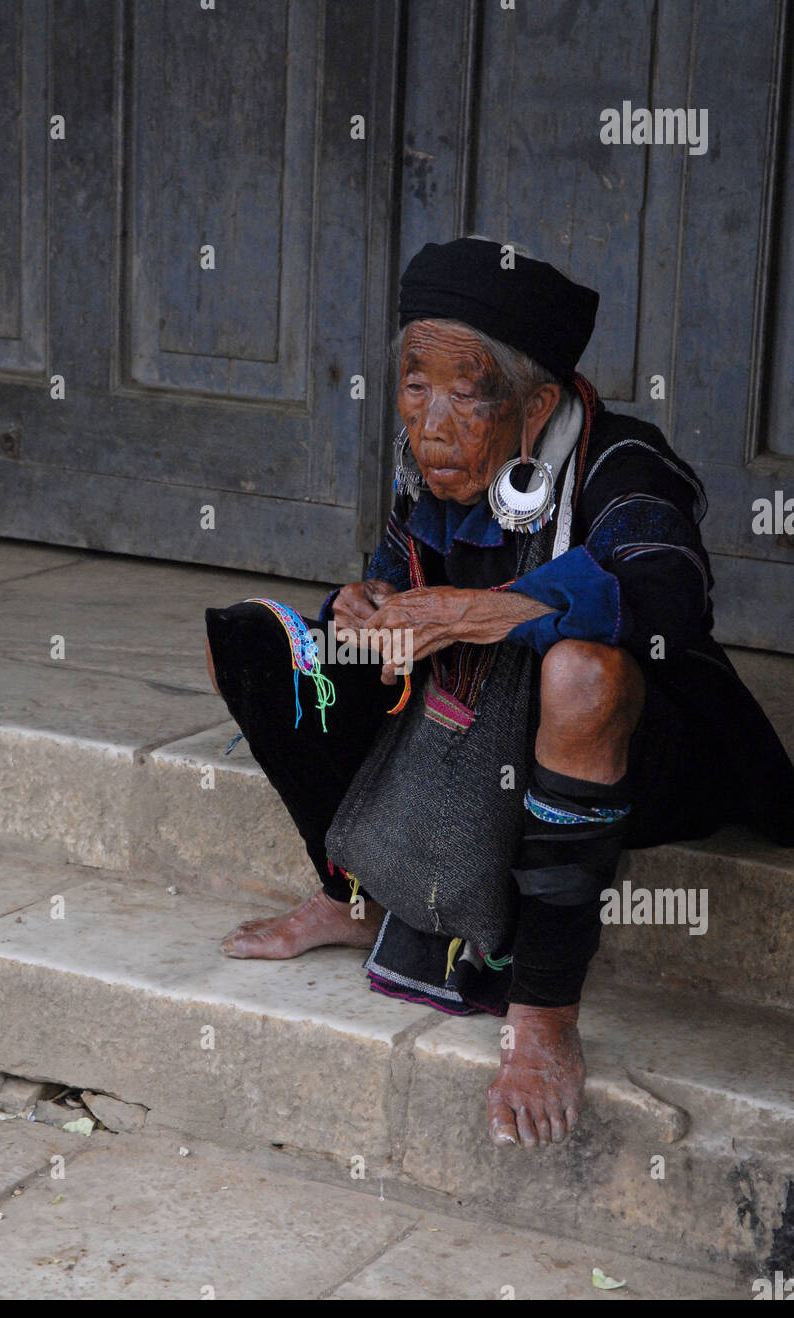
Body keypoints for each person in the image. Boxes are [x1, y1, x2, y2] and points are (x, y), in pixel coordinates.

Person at [204, 237, 794, 1151]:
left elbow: (667, 593)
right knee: (267, 651)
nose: (431, 421)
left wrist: (487, 612)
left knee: (580, 671)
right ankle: (354, 889)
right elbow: (394, 576)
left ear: (538, 404)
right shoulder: (430, 463)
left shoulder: (620, 464)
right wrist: (366, 605)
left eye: (466, 391)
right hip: (483, 737)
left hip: (649, 753)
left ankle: (547, 1009)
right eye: (413, 385)